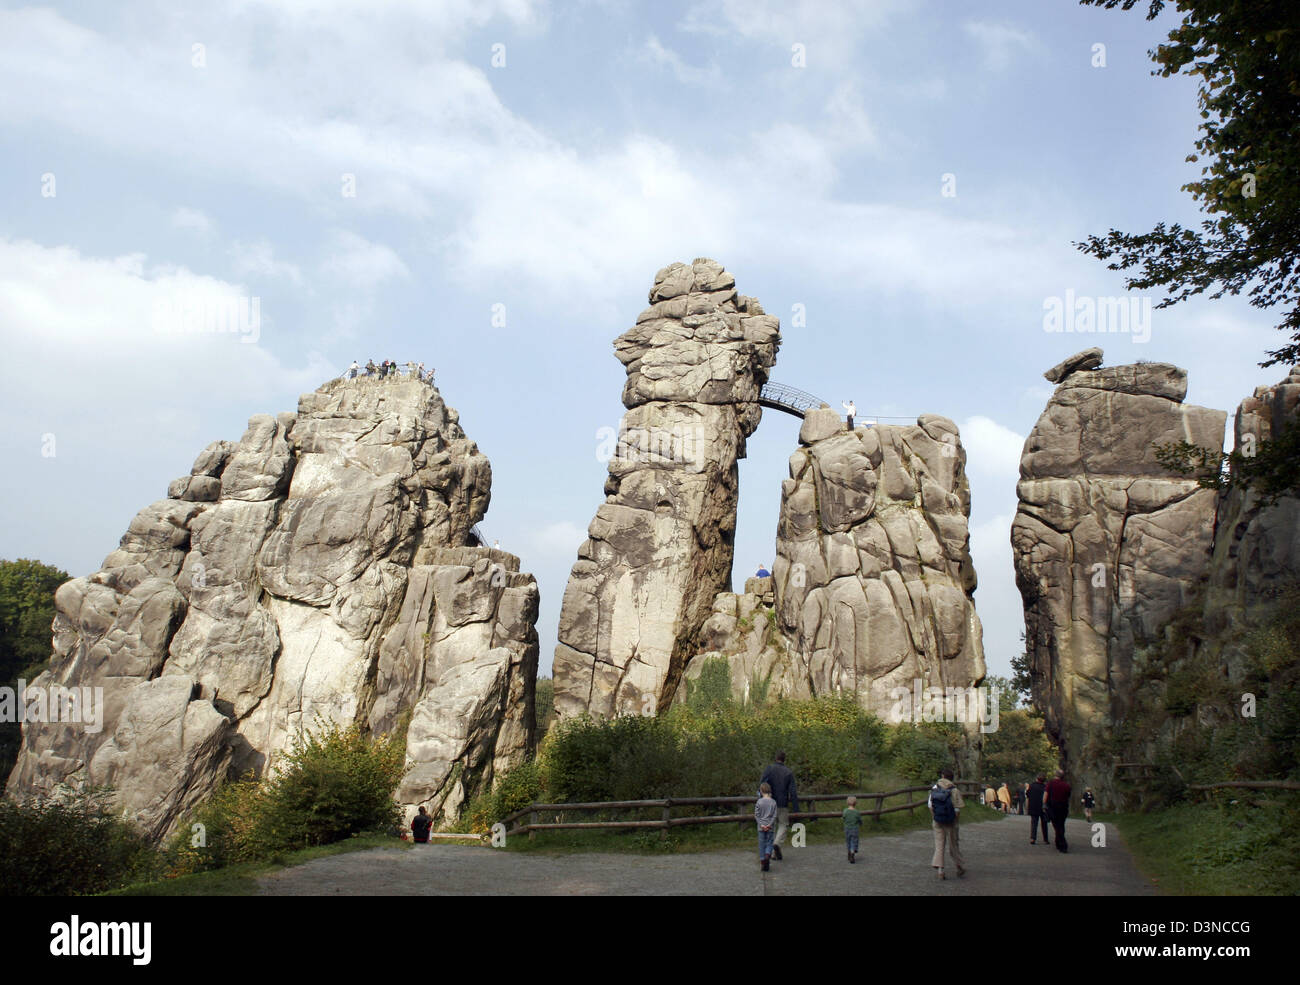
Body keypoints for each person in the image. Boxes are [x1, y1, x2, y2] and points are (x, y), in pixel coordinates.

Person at [759, 751, 799, 861]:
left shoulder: (769, 769)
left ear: (775, 758)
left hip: (769, 801)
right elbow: (793, 791)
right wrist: (796, 807)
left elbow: (762, 783)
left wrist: (761, 799)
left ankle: (771, 852)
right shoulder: (788, 772)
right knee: (783, 825)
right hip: (782, 802)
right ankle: (776, 844)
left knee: (771, 827)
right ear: (784, 759)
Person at [928, 768, 966, 880]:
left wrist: (935, 817)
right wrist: (955, 821)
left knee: (939, 845)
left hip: (937, 820)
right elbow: (958, 809)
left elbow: (930, 806)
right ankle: (959, 866)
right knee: (953, 845)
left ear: (942, 776)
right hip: (951, 821)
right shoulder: (954, 790)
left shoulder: (935, 788)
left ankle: (940, 870)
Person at [1046, 768, 1072, 853]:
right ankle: (1058, 842)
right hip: (1063, 807)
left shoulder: (1050, 784)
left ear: (1055, 775)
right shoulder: (1066, 785)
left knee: (1056, 826)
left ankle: (1063, 845)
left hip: (1053, 806)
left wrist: (1044, 804)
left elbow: (1046, 794)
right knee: (1061, 824)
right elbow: (1068, 796)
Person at [755, 782, 777, 871]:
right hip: (770, 827)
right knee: (769, 842)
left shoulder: (759, 802)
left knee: (761, 844)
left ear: (761, 791)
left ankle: (762, 860)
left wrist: (762, 824)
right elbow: (774, 815)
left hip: (761, 827)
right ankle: (768, 854)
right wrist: (769, 824)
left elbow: (757, 815)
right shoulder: (773, 802)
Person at [1026, 774, 1049, 844]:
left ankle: (1033, 838)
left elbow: (1028, 794)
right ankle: (1045, 839)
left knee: (1034, 823)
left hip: (1033, 807)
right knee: (1044, 824)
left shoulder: (1032, 786)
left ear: (1037, 779)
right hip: (1043, 807)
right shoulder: (1045, 787)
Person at [843, 796, 863, 864]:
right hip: (855, 829)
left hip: (847, 829)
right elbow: (859, 820)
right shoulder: (856, 812)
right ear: (855, 803)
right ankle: (852, 853)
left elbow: (843, 818)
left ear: (847, 803)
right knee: (854, 841)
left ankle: (849, 852)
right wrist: (860, 824)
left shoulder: (845, 811)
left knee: (848, 840)